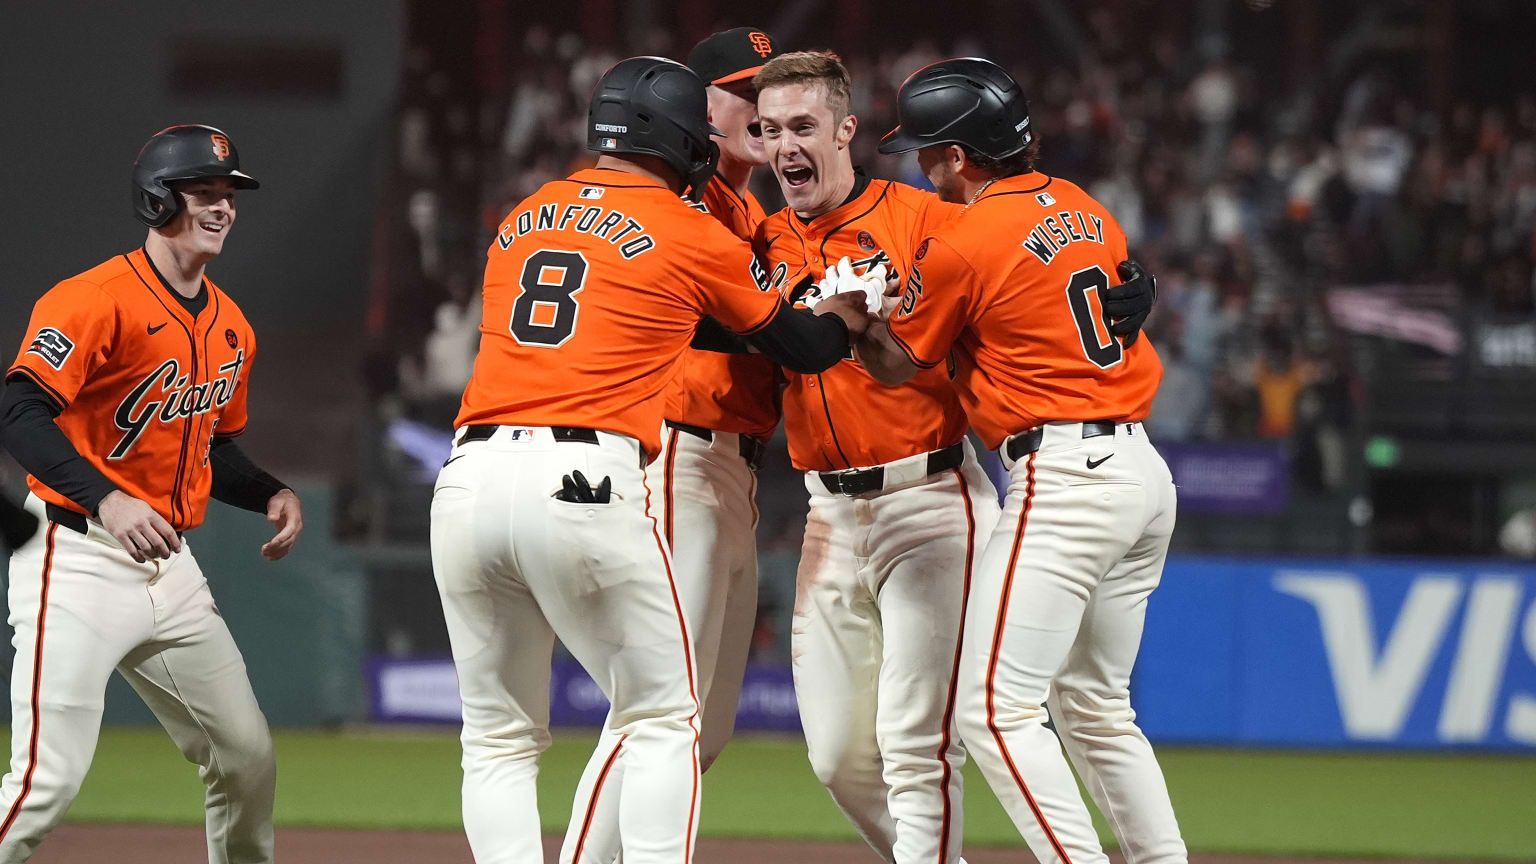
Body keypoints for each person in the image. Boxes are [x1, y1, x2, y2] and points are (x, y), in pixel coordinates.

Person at [430, 56, 867, 864]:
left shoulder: (525, 212)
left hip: (465, 480)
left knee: (496, 739)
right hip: (585, 477)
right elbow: (801, 347)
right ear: (675, 137)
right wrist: (842, 311)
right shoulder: (691, 229)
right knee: (665, 718)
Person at [750, 51, 1155, 864]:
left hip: (929, 494)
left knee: (916, 740)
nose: (785, 145)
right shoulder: (759, 239)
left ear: (843, 131)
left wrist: (1137, 293)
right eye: (769, 131)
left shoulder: (933, 217)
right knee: (835, 755)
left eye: (802, 126)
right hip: (827, 509)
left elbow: (1042, 258)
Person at [861, 58, 1187, 864]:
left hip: (1066, 477)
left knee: (993, 711)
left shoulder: (965, 239)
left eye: (929, 152)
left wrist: (854, 313)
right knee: (1098, 706)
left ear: (961, 157)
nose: (923, 166)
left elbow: (899, 362)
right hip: (1142, 472)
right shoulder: (1084, 207)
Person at [0, 125, 302, 863]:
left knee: (246, 757)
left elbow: (211, 443)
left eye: (230, 195)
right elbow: (18, 409)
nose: (224, 207)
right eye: (205, 192)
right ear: (157, 197)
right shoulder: (92, 299)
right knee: (45, 784)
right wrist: (107, 497)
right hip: (72, 559)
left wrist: (269, 490)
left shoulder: (232, 326)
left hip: (169, 569)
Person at [559, 27, 785, 864]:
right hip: (681, 460)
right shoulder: (677, 198)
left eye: (772, 93)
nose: (762, 109)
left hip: (737, 477)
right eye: (743, 92)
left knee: (705, 728)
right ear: (698, 106)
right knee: (657, 715)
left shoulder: (749, 211)